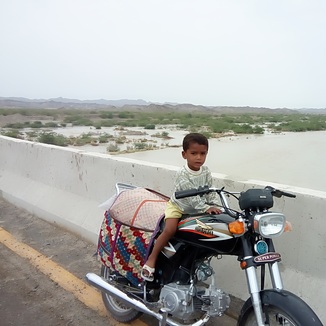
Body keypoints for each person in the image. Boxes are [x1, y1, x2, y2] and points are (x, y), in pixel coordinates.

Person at [141, 132, 222, 281]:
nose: (198, 157)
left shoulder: (206, 171)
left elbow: (210, 190)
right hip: (179, 207)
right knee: (170, 229)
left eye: (202, 153)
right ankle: (151, 259)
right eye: (194, 153)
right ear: (184, 154)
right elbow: (190, 198)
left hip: (197, 209)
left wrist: (216, 205)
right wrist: (205, 208)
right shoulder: (182, 174)